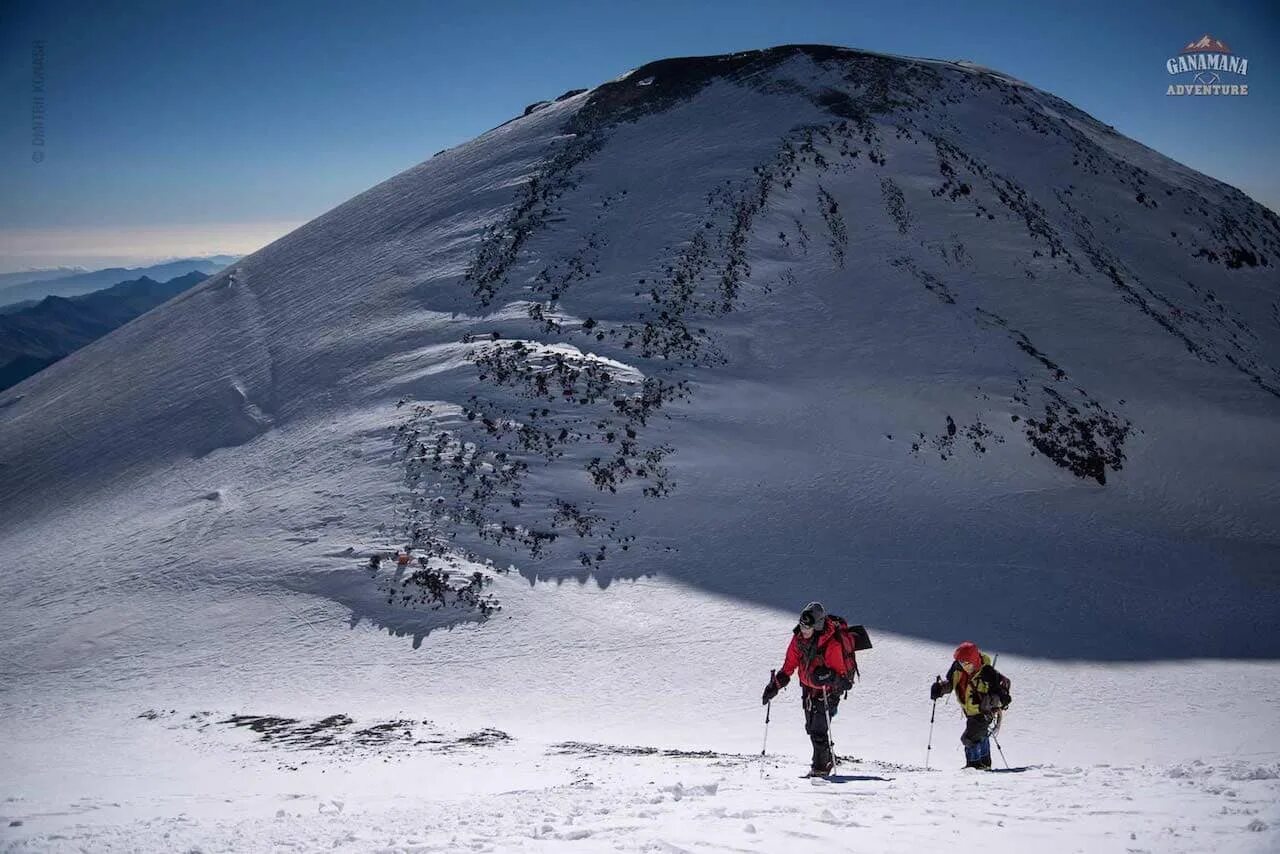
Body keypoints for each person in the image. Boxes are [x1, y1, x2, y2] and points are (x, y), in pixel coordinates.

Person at [761, 602, 852, 776]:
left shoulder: (831, 644)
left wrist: (827, 676)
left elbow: (841, 678)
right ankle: (825, 759)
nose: (803, 630)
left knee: (818, 729)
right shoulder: (798, 640)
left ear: (817, 626)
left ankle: (820, 768)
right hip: (809, 688)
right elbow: (789, 667)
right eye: (802, 625)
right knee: (811, 728)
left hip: (828, 692)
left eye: (807, 627)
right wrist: (775, 686)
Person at [930, 641, 1011, 770]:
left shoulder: (988, 673)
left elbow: (1002, 698)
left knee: (969, 738)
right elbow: (951, 683)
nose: (964, 666)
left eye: (967, 663)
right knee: (981, 736)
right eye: (962, 662)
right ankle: (985, 764)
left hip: (983, 713)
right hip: (970, 712)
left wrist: (989, 702)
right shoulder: (957, 667)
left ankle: (973, 767)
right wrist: (939, 689)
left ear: (974, 659)